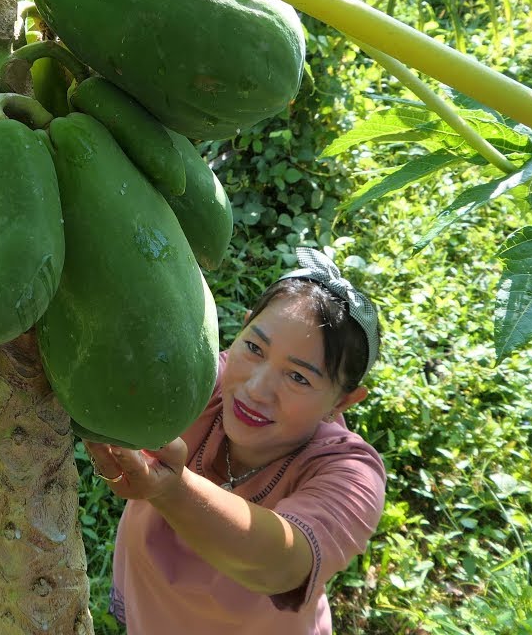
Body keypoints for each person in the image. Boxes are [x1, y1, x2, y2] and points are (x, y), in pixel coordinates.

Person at [85, 246, 386, 635]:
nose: (256, 389)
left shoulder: (350, 473)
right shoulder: (200, 382)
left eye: (299, 377)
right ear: (241, 329)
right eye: (254, 348)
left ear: (343, 401)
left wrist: (172, 491)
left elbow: (282, 564)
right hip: (153, 615)